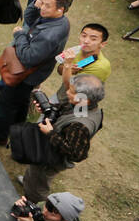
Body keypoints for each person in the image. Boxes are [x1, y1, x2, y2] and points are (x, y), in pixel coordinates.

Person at [0, 0, 71, 145]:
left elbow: (28, 57)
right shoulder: (60, 20)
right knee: (20, 103)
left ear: (60, 9)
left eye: (47, 6)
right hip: (33, 74)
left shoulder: (49, 35)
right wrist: (34, 5)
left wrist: (19, 36)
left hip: (26, 75)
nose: (42, 8)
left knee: (6, 104)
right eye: (42, 3)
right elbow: (31, 19)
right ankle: (18, 131)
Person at [18, 70, 104, 201]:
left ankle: (33, 202)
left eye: (71, 91)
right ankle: (28, 182)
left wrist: (50, 133)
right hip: (46, 152)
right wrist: (49, 109)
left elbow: (76, 154)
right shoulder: (83, 105)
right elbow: (66, 112)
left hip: (51, 160)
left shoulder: (80, 126)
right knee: (33, 174)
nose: (67, 92)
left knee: (39, 183)